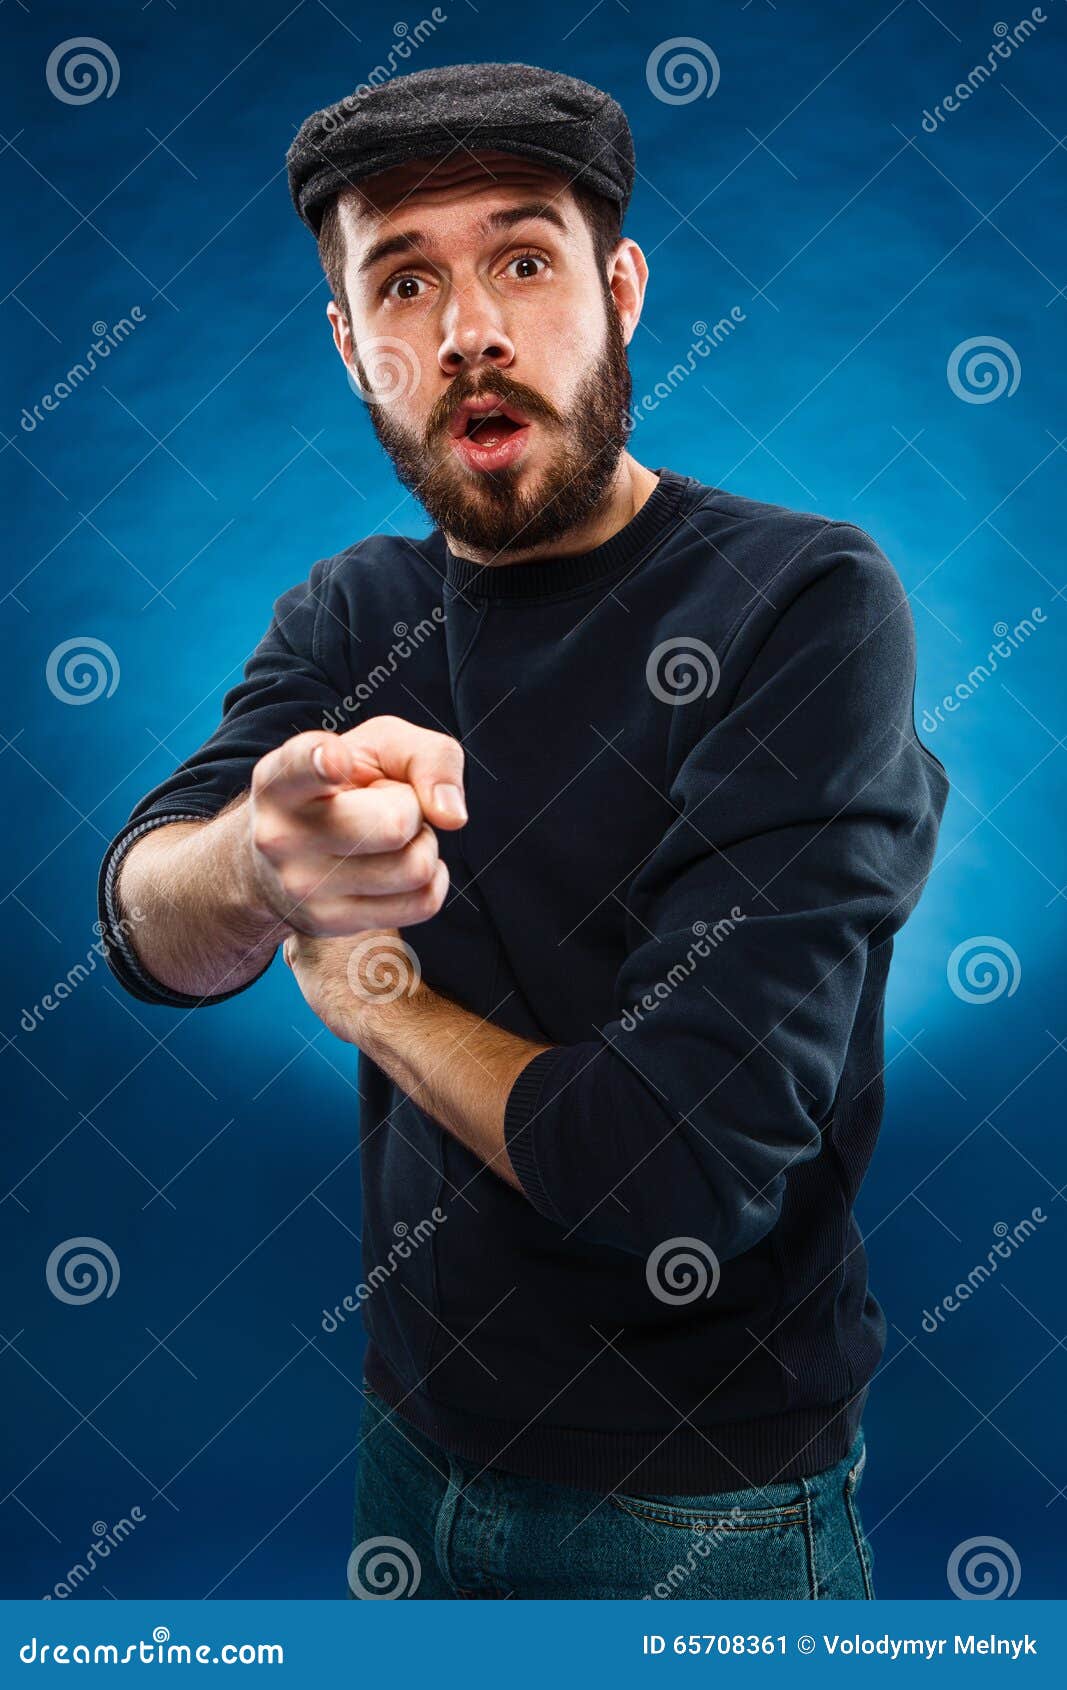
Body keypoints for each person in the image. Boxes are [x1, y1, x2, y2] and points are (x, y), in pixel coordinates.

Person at [97, 62, 948, 1600]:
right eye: (404, 282)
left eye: (524, 260)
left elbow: (673, 1172)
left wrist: (377, 998)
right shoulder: (353, 613)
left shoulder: (803, 604)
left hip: (705, 1513)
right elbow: (146, 926)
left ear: (619, 292)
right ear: (353, 346)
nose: (469, 330)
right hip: (412, 1444)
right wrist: (254, 863)